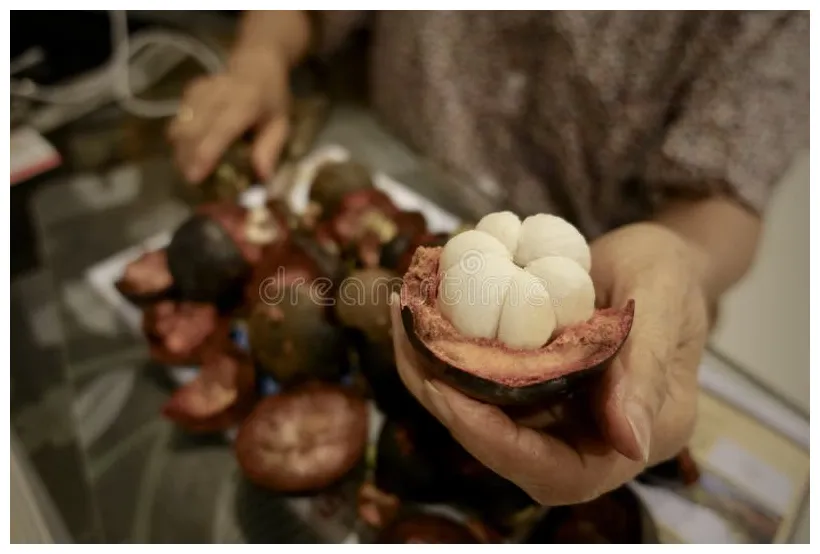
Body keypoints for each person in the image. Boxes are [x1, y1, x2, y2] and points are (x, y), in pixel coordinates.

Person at [168, 11, 809, 506]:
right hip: (413, 189)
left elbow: (725, 190)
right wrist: (260, 55)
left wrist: (682, 258)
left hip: (612, 266)